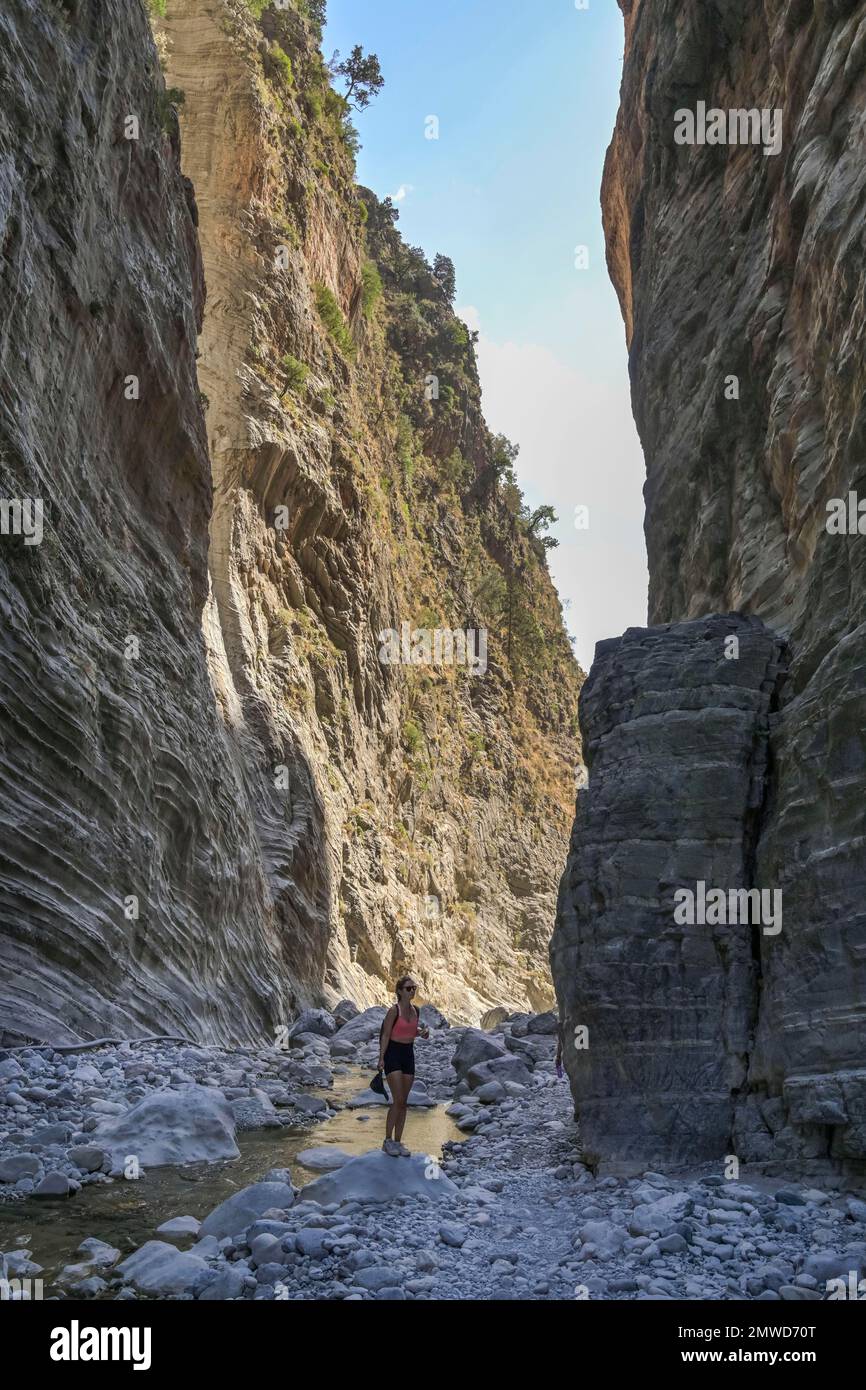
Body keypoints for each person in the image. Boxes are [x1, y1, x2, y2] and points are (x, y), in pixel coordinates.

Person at [378, 975, 429, 1156]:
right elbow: (385, 1034)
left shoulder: (416, 1010)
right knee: (397, 1099)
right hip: (393, 1053)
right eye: (408, 988)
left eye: (414, 988)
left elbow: (410, 1030)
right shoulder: (394, 1010)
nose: (412, 991)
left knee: (404, 1102)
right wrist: (381, 1057)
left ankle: (398, 1142)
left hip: (408, 1054)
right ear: (400, 991)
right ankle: (387, 1141)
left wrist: (421, 1033)